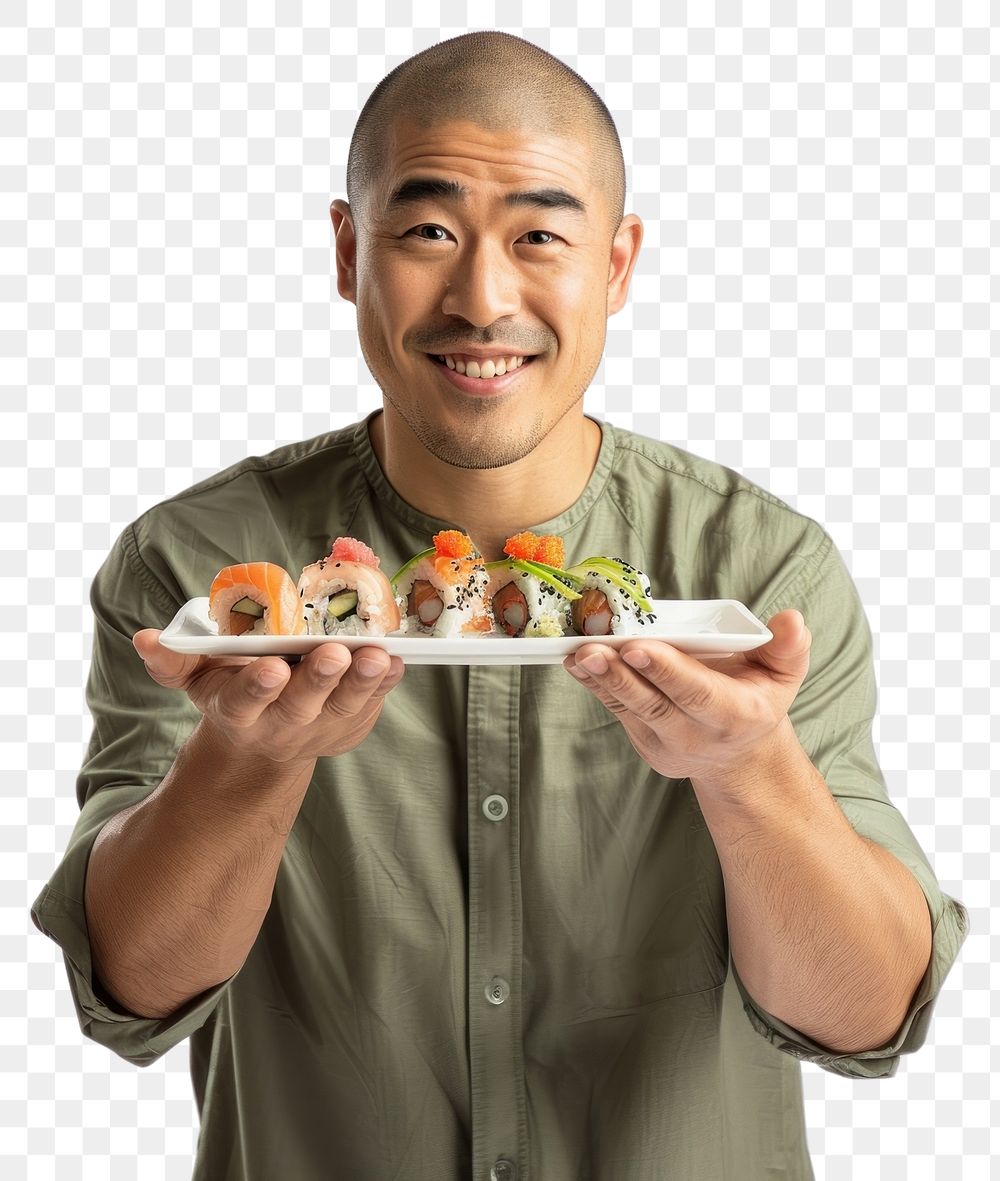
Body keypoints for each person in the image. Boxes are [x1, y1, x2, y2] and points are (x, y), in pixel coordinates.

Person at [33, 30, 966, 1181]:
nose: (480, 298)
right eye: (427, 230)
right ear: (345, 250)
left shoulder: (760, 571)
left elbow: (864, 1016)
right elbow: (131, 987)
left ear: (616, 266)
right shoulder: (195, 564)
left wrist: (748, 771)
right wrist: (246, 765)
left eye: (540, 237)